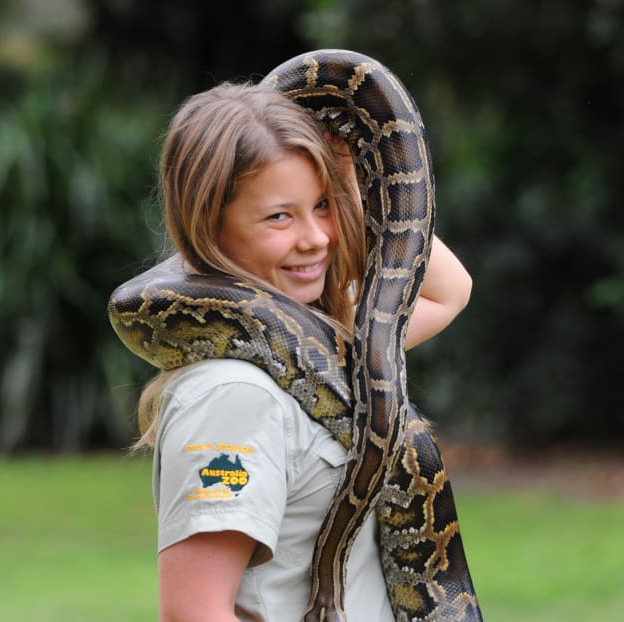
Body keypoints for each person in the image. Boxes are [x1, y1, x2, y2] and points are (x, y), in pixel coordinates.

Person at [137, 81, 472, 622]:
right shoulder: (232, 394)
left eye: (323, 207)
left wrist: (346, 178)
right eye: (279, 216)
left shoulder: (326, 342)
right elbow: (193, 613)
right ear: (210, 226)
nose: (317, 237)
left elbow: (447, 292)